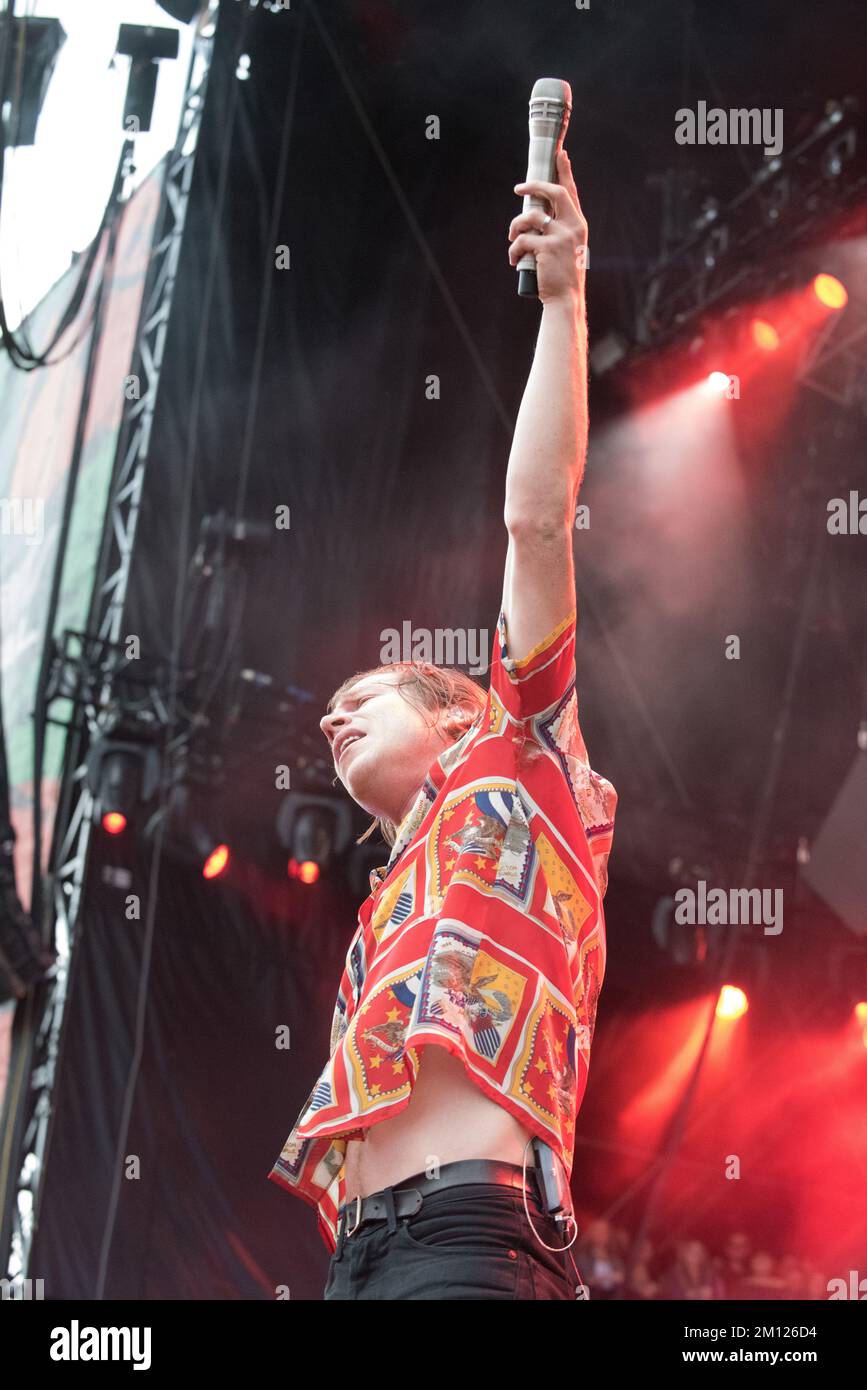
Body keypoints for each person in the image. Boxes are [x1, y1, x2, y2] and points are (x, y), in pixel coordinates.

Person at [267, 147, 617, 1299]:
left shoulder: (516, 771)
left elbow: (535, 526)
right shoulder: (386, 904)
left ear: (454, 712)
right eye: (327, 712)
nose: (331, 720)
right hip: (359, 1262)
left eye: (359, 698)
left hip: (468, 1248)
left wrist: (563, 298)